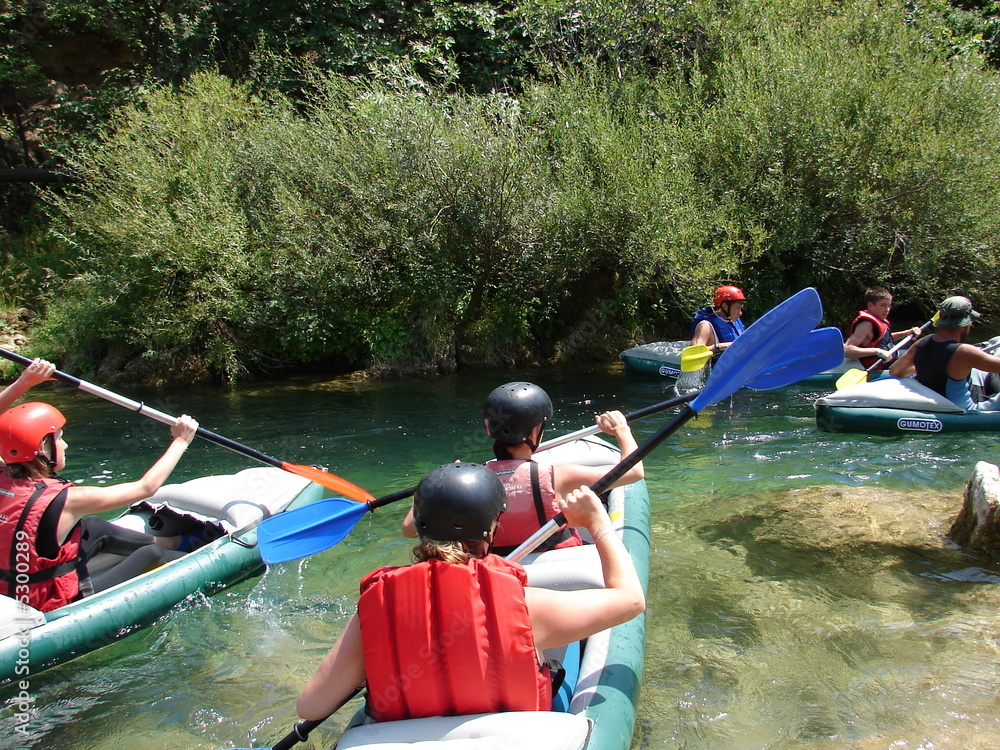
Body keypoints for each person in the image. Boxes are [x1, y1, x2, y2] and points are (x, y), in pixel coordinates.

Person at [297, 462, 645, 723]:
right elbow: (630, 600)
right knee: (563, 651)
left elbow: (310, 706)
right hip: (522, 733)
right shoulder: (523, 604)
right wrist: (597, 522)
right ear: (490, 529)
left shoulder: (376, 605)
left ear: (419, 527)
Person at [0, 401, 202, 612]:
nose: (65, 445)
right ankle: (197, 554)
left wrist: (27, 381)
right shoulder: (70, 500)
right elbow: (146, 487)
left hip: (7, 586)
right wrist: (181, 440)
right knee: (152, 554)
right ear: (43, 448)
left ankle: (173, 541)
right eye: (60, 438)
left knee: (93, 526)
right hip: (47, 602)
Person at [401, 382, 645, 554]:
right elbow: (634, 472)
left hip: (499, 570)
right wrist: (622, 431)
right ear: (534, 432)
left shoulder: (471, 483)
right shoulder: (557, 476)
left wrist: (438, 485)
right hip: (558, 567)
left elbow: (409, 530)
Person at [889, 296, 1000, 411]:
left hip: (933, 404)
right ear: (965, 324)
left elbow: (895, 371)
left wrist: (928, 367)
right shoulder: (964, 352)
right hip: (964, 410)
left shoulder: (923, 342)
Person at [843, 286, 922, 368]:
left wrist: (907, 333)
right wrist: (877, 351)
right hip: (874, 370)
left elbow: (883, 340)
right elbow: (846, 350)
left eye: (888, 306)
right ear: (870, 305)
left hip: (889, 365)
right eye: (883, 305)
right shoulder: (866, 325)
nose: (887, 309)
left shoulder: (879, 321)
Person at [691, 285, 746, 356]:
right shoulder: (705, 326)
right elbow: (693, 353)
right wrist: (720, 347)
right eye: (738, 308)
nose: (740, 313)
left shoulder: (734, 321)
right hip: (715, 366)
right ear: (724, 306)